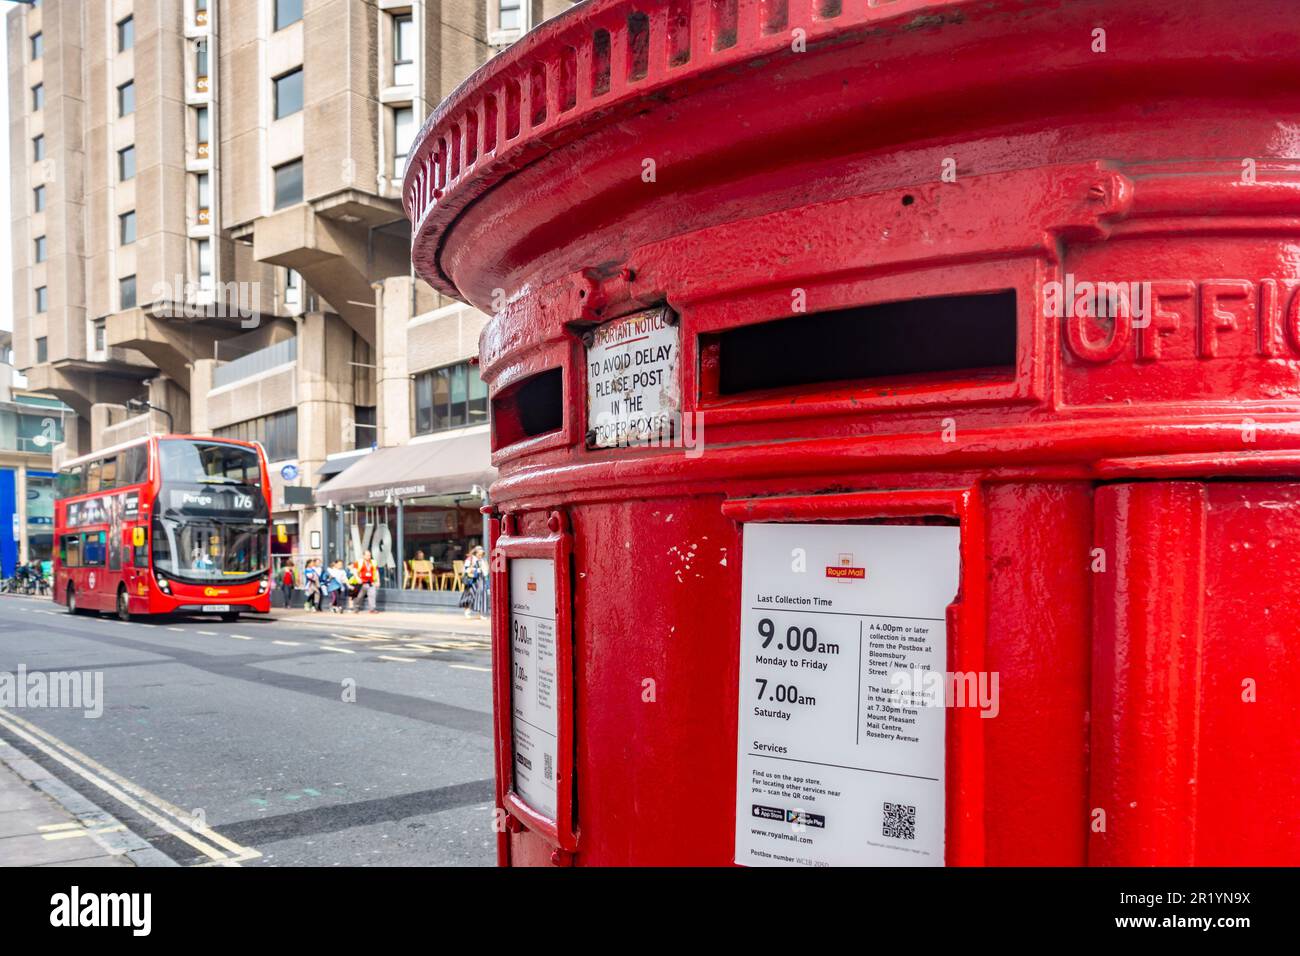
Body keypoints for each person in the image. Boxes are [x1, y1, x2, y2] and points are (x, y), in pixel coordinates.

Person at [463, 545, 489, 620]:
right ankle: (467, 611)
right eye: (479, 554)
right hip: (472, 580)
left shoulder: (483, 560)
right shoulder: (470, 559)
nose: (480, 556)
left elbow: (486, 571)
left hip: (481, 580)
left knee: (482, 596)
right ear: (475, 553)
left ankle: (481, 614)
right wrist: (476, 570)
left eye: (482, 554)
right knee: (470, 596)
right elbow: (466, 570)